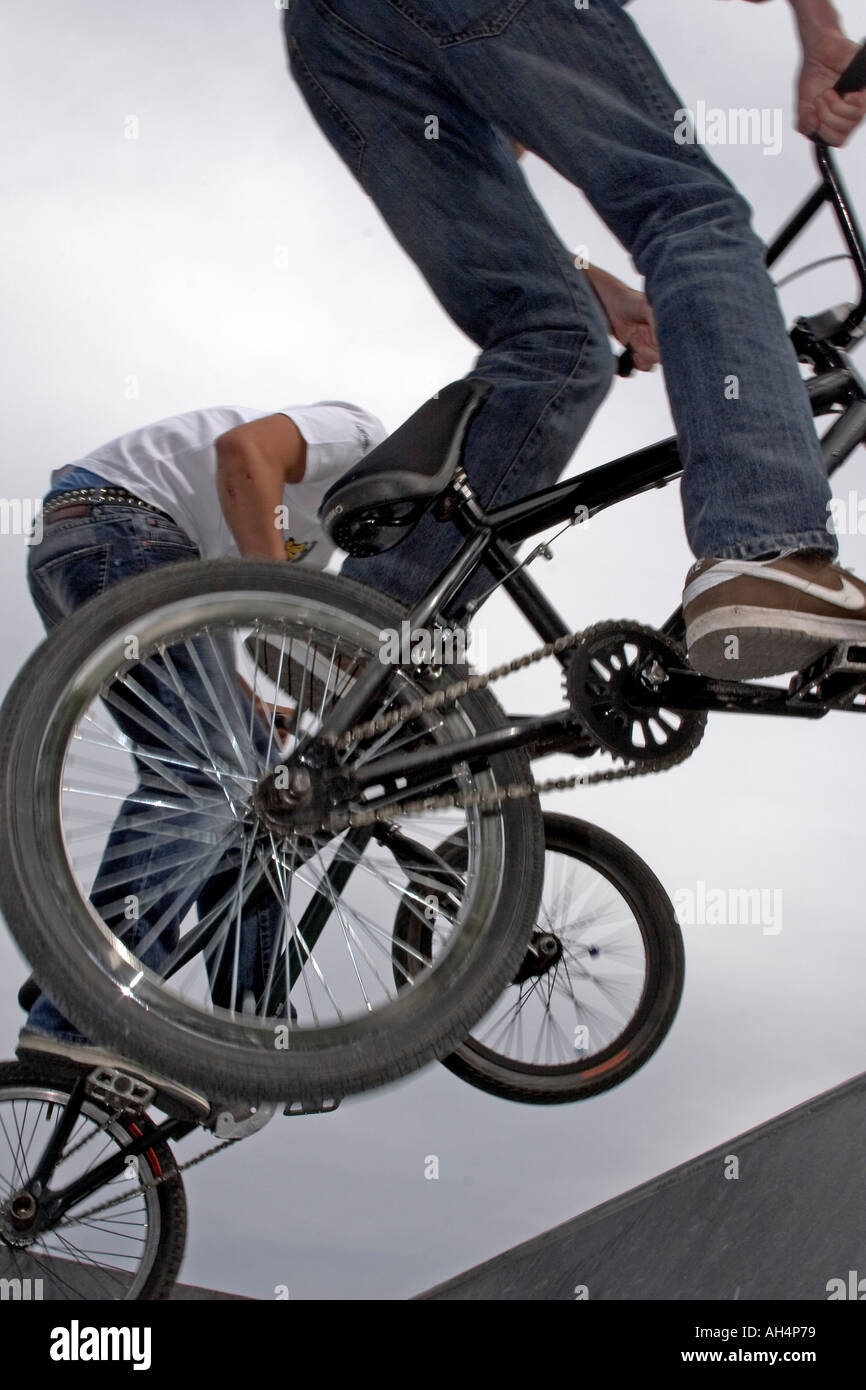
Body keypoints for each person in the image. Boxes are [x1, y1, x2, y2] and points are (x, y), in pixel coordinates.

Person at [282, 0, 866, 679]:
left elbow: (497, 103)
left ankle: (373, 624)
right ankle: (766, 548)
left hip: (337, 37)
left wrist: (595, 283)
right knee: (689, 213)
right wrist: (822, 30)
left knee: (556, 337)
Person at [17, 398, 387, 1078]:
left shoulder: (326, 544)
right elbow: (244, 452)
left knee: (255, 794)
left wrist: (249, 701)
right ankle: (86, 1001)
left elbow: (229, 631)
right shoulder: (365, 436)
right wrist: (292, 610)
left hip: (97, 554)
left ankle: (247, 1034)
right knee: (207, 777)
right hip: (119, 524)